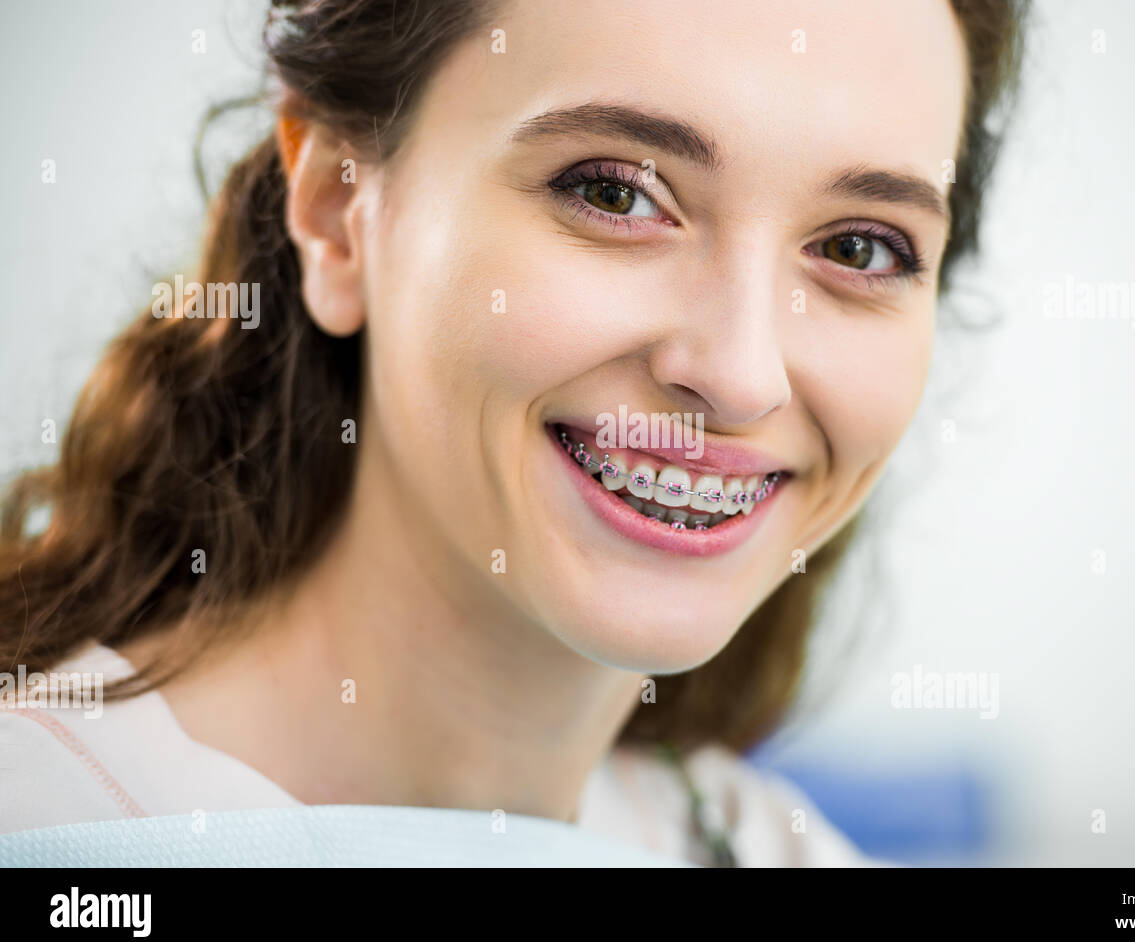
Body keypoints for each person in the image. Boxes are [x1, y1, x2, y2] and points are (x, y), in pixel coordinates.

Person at [0, 0, 1024, 866]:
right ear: (335, 209)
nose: (740, 374)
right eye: (614, 192)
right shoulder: (51, 824)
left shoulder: (761, 844)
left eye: (860, 246)